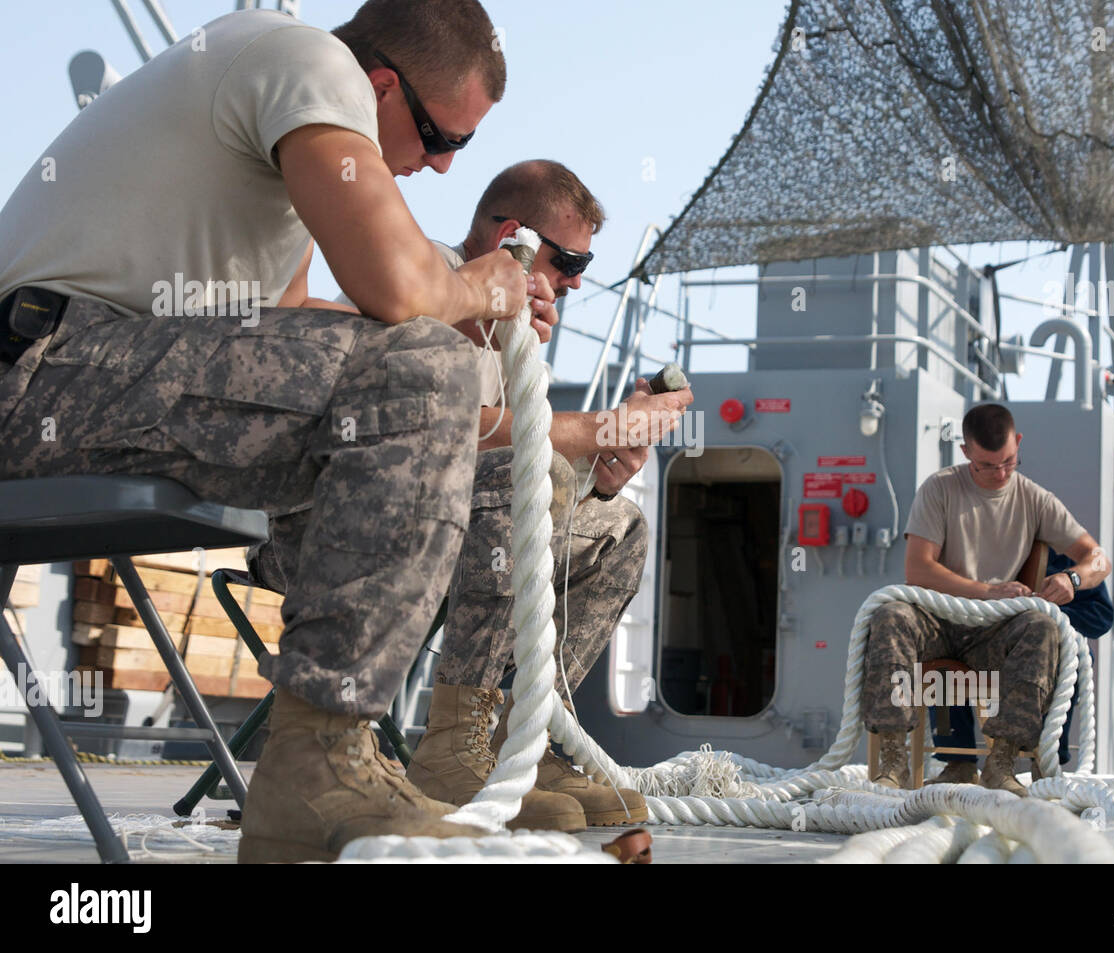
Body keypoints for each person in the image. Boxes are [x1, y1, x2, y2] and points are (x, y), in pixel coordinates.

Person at [0, 0, 553, 863]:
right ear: (381, 85)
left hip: (92, 374)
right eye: (446, 138)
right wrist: (482, 291)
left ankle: (361, 747)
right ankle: (318, 761)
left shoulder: (280, 142)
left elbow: (295, 331)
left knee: (410, 387)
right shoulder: (306, 58)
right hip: (41, 374)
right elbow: (399, 288)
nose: (442, 170)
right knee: (421, 373)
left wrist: (464, 322)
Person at [360, 161, 694, 830]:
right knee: (534, 476)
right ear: (512, 235)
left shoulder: (524, 328)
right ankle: (454, 747)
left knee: (622, 527)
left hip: (460, 536)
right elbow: (423, 428)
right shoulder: (424, 275)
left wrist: (600, 472)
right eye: (567, 258)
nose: (574, 280)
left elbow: (509, 451)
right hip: (362, 527)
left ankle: (533, 740)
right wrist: (592, 428)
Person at [864, 403, 1111, 795]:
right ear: (966, 453)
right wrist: (988, 591)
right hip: (940, 622)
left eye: (1009, 462)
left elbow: (1098, 558)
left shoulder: (1035, 499)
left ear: (1018, 443)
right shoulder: (939, 489)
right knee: (891, 615)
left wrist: (1073, 577)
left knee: (1043, 628)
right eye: (986, 466)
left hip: (993, 633)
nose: (1000, 474)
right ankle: (892, 762)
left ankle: (1002, 763)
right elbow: (918, 570)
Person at [925, 547, 1114, 784]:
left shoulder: (1068, 556)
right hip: (978, 645)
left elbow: (1100, 617)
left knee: (1070, 658)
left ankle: (1046, 762)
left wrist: (1047, 611)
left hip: (1038, 656)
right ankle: (956, 761)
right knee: (941, 665)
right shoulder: (969, 544)